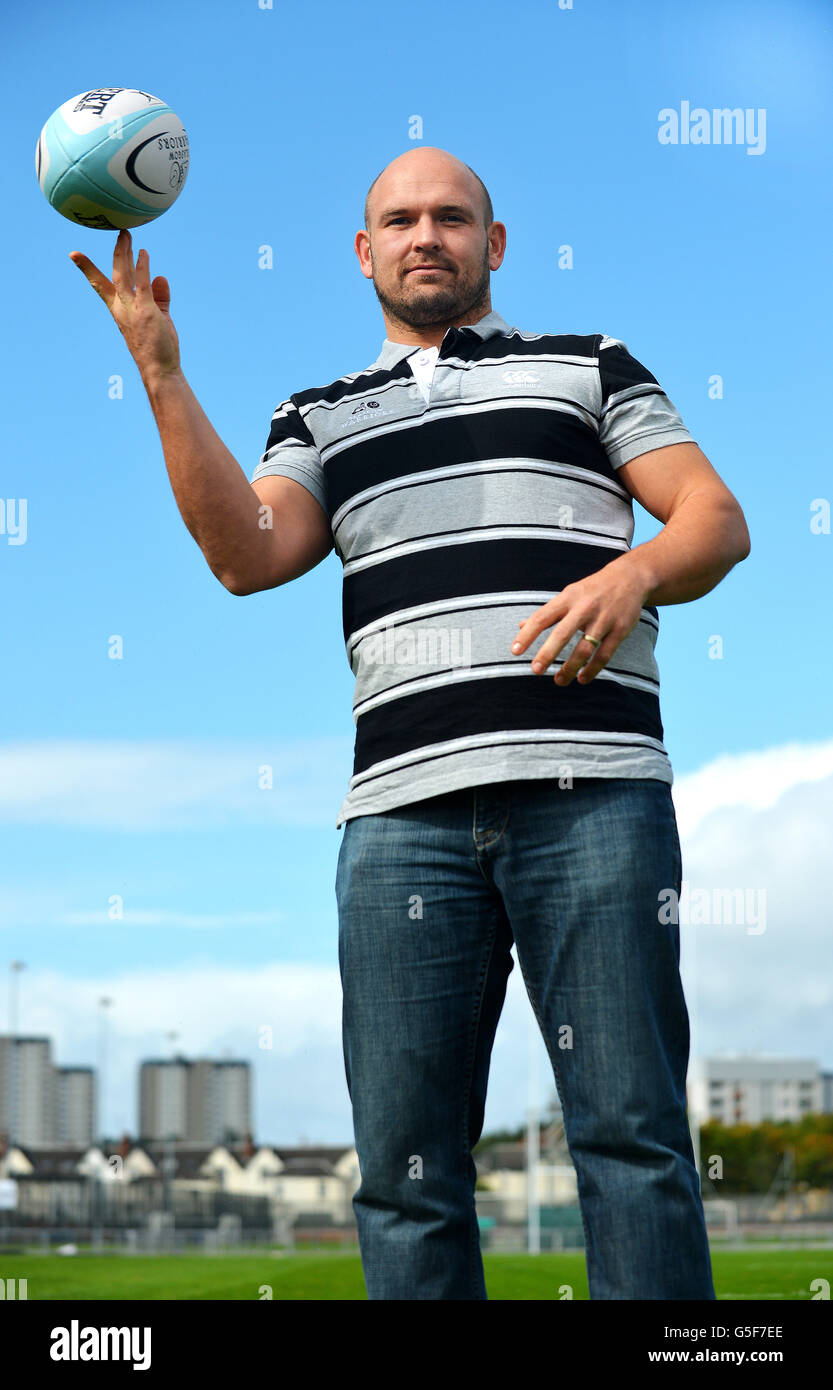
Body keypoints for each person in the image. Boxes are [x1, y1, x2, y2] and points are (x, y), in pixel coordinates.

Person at [69, 145, 750, 1300]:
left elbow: (713, 519)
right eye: (398, 219)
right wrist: (162, 377)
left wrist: (629, 576)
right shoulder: (318, 414)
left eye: (450, 216)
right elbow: (246, 555)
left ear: (492, 243)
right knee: (402, 1170)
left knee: (630, 1139)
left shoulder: (586, 366)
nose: (423, 235)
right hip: (398, 825)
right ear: (363, 251)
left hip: (594, 795)